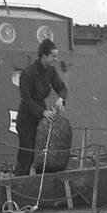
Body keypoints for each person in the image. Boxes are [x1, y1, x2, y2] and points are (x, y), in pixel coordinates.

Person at [15, 38, 68, 176]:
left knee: (43, 153)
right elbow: (26, 98)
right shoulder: (28, 73)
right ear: (44, 55)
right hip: (27, 116)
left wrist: (60, 99)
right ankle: (21, 182)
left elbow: (61, 87)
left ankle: (40, 182)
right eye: (53, 56)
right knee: (27, 153)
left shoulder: (50, 71)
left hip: (41, 116)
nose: (56, 59)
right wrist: (42, 112)